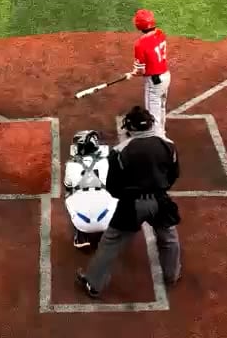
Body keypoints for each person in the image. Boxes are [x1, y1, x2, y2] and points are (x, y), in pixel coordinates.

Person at [77, 106, 181, 299]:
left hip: (132, 205)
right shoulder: (168, 145)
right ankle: (172, 275)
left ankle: (94, 284)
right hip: (160, 200)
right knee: (169, 239)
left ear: (130, 127)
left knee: (111, 242)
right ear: (151, 124)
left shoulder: (119, 151)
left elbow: (113, 186)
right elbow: (175, 174)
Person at [63, 130, 117, 250]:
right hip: (107, 221)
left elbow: (67, 185)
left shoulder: (71, 165)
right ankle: (110, 234)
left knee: (68, 194)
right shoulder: (106, 162)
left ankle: (80, 236)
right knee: (115, 192)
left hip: (82, 224)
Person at [132, 9, 170, 135]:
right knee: (162, 107)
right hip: (166, 76)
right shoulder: (160, 34)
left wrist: (133, 72)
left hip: (154, 82)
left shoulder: (140, 44)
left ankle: (157, 137)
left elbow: (140, 70)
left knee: (152, 114)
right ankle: (162, 132)